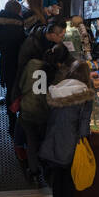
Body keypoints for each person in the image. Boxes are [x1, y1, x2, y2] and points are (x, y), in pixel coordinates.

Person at [39, 60, 94, 197]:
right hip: (70, 144)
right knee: (68, 179)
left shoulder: (58, 89)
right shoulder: (85, 96)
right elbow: (84, 129)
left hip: (52, 140)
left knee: (57, 179)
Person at [18, 40, 69, 183]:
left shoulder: (32, 64)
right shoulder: (58, 76)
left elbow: (22, 85)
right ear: (60, 63)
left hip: (27, 110)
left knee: (31, 142)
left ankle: (33, 172)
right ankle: (47, 170)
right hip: (44, 115)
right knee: (44, 140)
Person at [0, 0, 26, 107]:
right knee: (15, 87)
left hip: (4, 58)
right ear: (17, 11)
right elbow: (22, 41)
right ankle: (15, 111)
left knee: (9, 88)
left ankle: (10, 114)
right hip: (16, 59)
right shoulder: (18, 24)